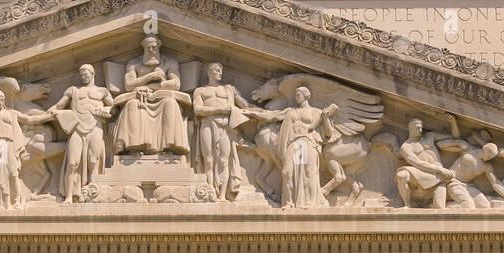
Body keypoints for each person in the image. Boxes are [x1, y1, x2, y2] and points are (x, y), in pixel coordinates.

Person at [245, 86, 337, 208]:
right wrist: (252, 113)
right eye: (295, 94)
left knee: (308, 173)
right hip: (295, 143)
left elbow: (329, 133)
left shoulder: (317, 112)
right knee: (287, 172)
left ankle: (309, 202)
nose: (296, 97)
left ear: (306, 96)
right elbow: (272, 117)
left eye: (298, 94)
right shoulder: (291, 111)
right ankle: (289, 202)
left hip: (307, 142)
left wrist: (325, 118)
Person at [0, 89, 53, 209]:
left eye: (2, 99)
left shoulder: (11, 113)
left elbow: (29, 119)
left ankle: (16, 201)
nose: (0, 102)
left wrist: (48, 117)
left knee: (13, 173)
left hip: (8, 144)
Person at [112, 35, 189, 155]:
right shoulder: (133, 64)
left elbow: (176, 84)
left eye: (154, 47)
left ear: (158, 46)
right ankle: (135, 148)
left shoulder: (169, 62)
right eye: (148, 48)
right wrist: (150, 77)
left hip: (161, 98)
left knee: (170, 103)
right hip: (140, 99)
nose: (151, 50)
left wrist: (150, 87)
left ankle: (169, 148)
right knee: (132, 105)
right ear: (144, 48)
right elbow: (128, 85)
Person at [48, 64, 115, 202]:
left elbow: (114, 107)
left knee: (92, 160)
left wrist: (108, 110)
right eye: (81, 74)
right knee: (72, 163)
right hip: (77, 128)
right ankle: (68, 196)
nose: (83, 77)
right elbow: (58, 106)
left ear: (93, 74)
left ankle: (92, 195)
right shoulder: (73, 90)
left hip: (96, 126)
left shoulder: (103, 91)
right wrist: (44, 116)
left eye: (86, 74)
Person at [192, 62, 251, 200]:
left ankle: (222, 196)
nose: (220, 73)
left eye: (221, 71)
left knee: (224, 161)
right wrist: (218, 110)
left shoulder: (227, 90)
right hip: (207, 124)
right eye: (217, 70)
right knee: (209, 160)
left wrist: (236, 95)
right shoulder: (200, 91)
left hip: (224, 127)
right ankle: (211, 193)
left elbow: (243, 106)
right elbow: (197, 110)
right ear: (210, 72)